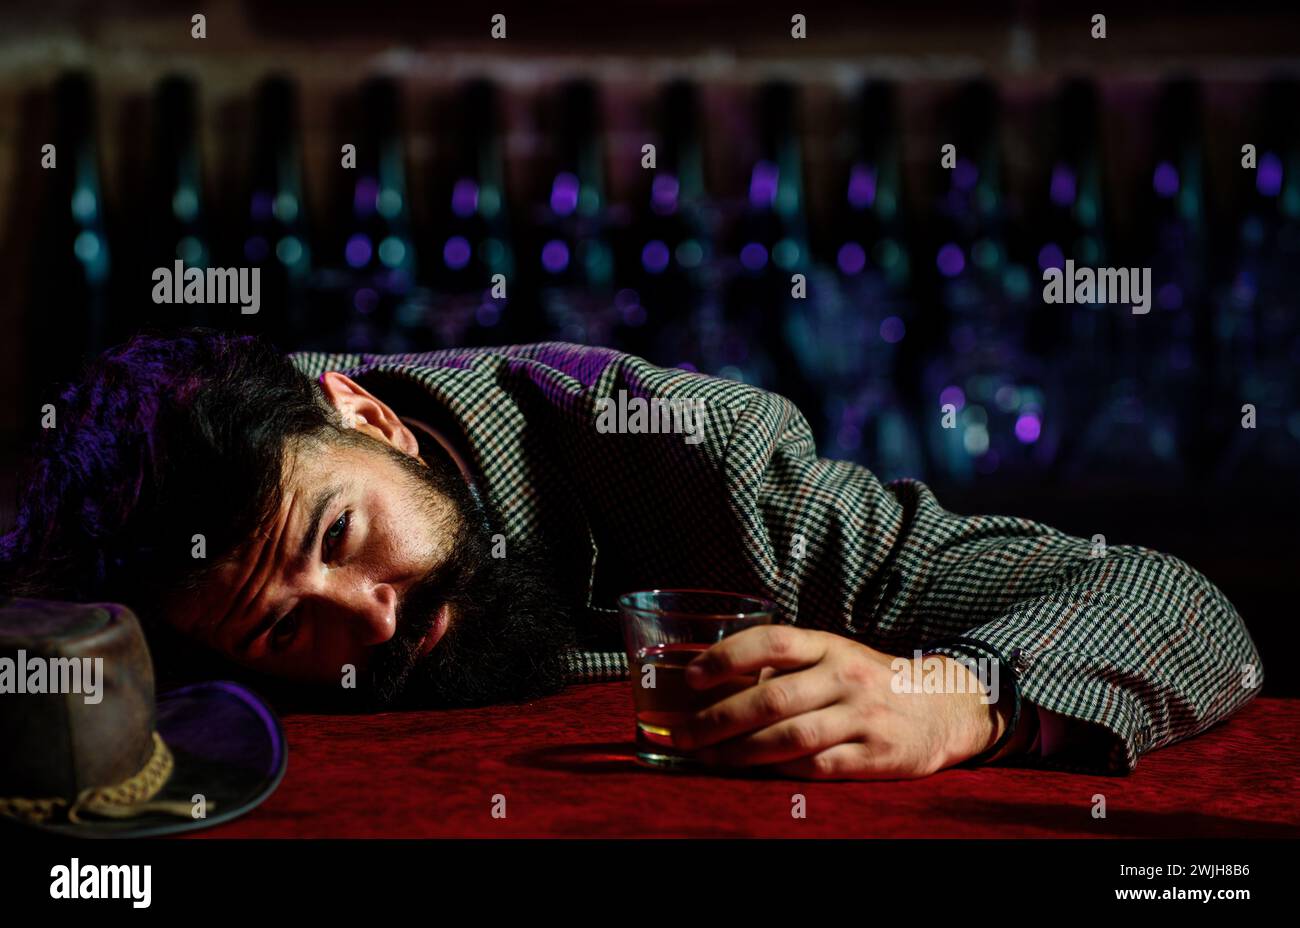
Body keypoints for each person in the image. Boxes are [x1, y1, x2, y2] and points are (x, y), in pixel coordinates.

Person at [0, 329, 1263, 779]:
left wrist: (954, 697)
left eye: (339, 537)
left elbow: (1172, 597)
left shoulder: (690, 466)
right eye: (285, 630)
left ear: (371, 418)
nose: (368, 621)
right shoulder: (152, 567)